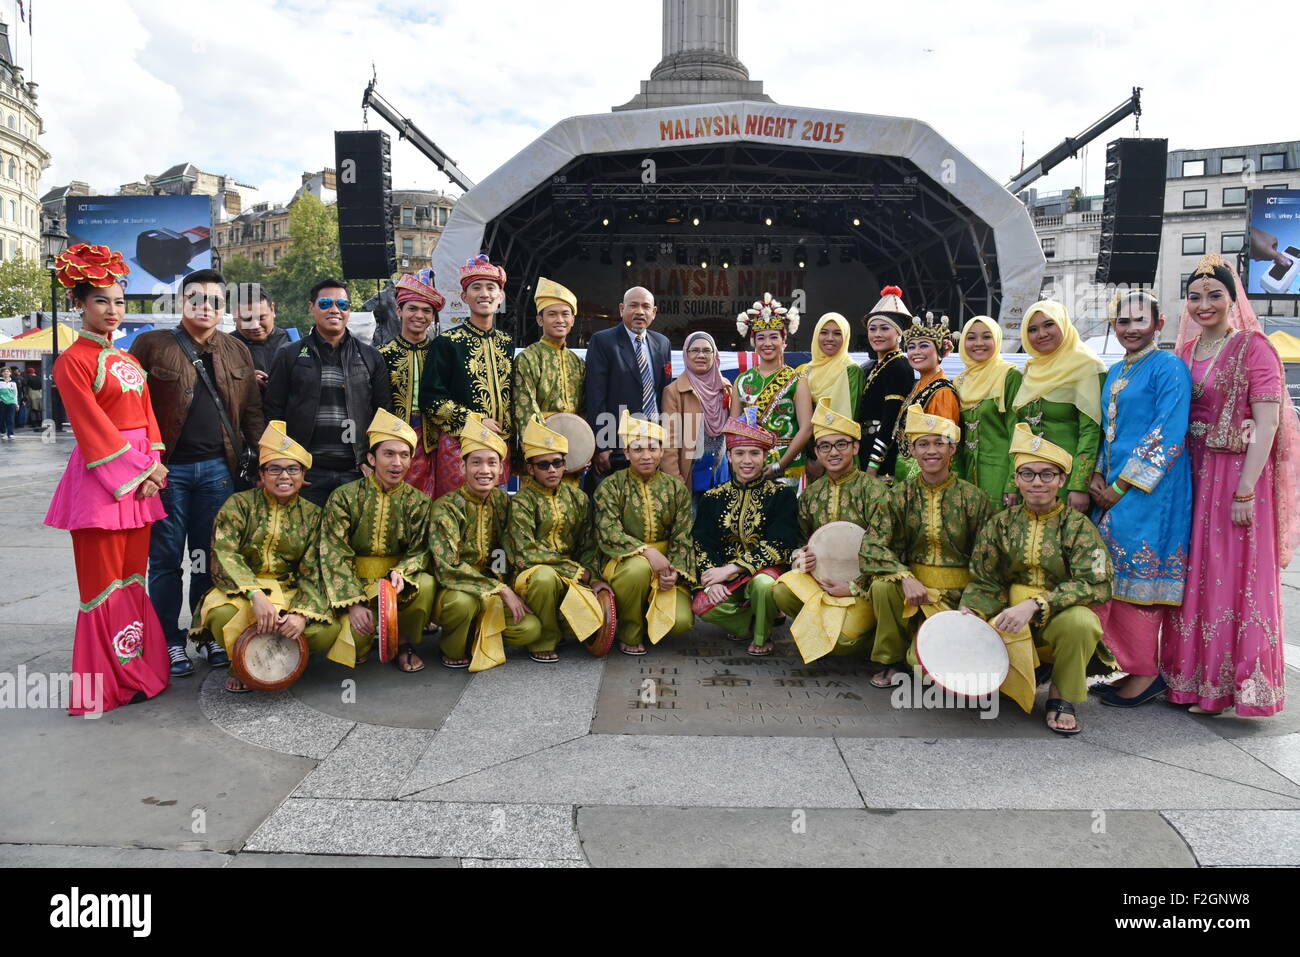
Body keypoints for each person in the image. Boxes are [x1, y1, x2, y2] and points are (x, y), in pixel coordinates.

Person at [1162, 254, 1300, 717]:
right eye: (1195, 297)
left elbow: (1267, 424)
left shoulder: (1254, 347)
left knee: (1232, 576)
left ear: (1232, 298)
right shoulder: (1184, 352)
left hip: (1237, 477)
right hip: (1193, 474)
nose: (1204, 305)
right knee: (1194, 575)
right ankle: (1194, 682)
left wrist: (1245, 489)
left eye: (1214, 295)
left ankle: (1232, 687)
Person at [43, 243, 170, 714]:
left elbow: (148, 417)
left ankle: (137, 668)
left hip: (140, 484)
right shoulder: (71, 361)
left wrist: (155, 464)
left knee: (133, 579)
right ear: (79, 304)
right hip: (102, 485)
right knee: (102, 586)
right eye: (101, 300)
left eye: (118, 301)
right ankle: (105, 684)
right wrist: (141, 469)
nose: (113, 310)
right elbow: (91, 428)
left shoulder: (128, 360)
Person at [131, 268, 264, 676]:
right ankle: (169, 640)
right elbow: (129, 407)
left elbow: (252, 412)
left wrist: (263, 459)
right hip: (166, 472)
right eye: (197, 299)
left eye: (215, 301)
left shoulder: (237, 350)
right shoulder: (152, 345)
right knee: (166, 560)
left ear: (224, 308)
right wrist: (140, 463)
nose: (206, 307)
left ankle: (205, 633)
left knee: (208, 558)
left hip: (219, 471)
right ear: (181, 303)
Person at [961, 424, 1114, 735]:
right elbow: (984, 579)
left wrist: (1036, 604)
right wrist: (973, 610)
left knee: (1082, 622)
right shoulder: (1000, 524)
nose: (1037, 482)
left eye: (1047, 474)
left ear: (1061, 480)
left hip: (1056, 618)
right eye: (1027, 474)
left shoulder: (1078, 526)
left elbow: (1097, 583)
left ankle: (1061, 696)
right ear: (1016, 479)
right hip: (1007, 617)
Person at [1088, 291, 1192, 708]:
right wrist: (1099, 474)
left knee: (1141, 580)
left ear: (1159, 323)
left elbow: (1167, 432)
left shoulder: (1169, 367)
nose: (1130, 329)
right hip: (1113, 488)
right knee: (1113, 577)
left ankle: (1148, 674)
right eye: (1123, 321)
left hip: (1154, 491)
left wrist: (1122, 487)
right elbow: (1107, 432)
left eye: (1139, 320)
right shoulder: (1116, 371)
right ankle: (1131, 665)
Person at [190, 421, 338, 693]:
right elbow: (224, 553)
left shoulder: (314, 515)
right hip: (242, 591)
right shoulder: (239, 505)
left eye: (293, 469)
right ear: (261, 474)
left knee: (325, 631)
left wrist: (300, 614)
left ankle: (281, 664)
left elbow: (315, 570)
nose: (284, 476)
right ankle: (242, 664)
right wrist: (255, 595)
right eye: (274, 469)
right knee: (222, 615)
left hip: (290, 590)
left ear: (304, 475)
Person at [859, 404, 992, 687]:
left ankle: (920, 653)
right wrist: (904, 577)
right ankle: (891, 660)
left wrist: (973, 602)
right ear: (912, 450)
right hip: (913, 590)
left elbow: (989, 561)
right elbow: (871, 547)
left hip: (957, 597)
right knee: (883, 586)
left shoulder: (974, 499)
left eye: (939, 444)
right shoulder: (899, 495)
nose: (931, 451)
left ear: (952, 449)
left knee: (923, 668)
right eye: (923, 444)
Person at [315, 410, 436, 673]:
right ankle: (366, 631)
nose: (397, 463)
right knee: (356, 648)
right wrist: (354, 603)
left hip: (396, 583)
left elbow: (421, 549)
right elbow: (333, 552)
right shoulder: (344, 496)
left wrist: (403, 571)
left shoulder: (419, 501)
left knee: (425, 584)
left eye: (404, 455)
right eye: (388, 454)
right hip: (356, 583)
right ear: (371, 458)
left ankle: (404, 642)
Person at [772, 396, 887, 663]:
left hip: (860, 588)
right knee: (781, 590)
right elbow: (798, 540)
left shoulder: (874, 491)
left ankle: (865, 637)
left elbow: (888, 551)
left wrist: (854, 587)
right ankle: (824, 624)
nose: (833, 452)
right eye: (825, 446)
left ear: (856, 447)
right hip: (820, 581)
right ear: (817, 451)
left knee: (843, 641)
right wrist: (800, 558)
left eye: (841, 444)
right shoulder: (812, 494)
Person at [426, 414, 542, 670]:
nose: (484, 471)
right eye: (476, 462)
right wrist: (501, 589)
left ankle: (474, 633)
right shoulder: (446, 507)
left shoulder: (503, 503)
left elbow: (511, 550)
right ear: (462, 467)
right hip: (453, 589)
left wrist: (511, 586)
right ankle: (453, 645)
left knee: (530, 628)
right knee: (462, 604)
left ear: (501, 470)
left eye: (492, 463)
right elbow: (447, 567)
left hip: (492, 590)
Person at [264, 278, 392, 508]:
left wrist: (374, 461)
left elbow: (383, 413)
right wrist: (286, 464)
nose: (334, 310)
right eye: (325, 303)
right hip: (306, 471)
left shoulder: (370, 356)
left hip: (356, 470)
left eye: (342, 305)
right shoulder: (290, 354)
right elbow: (273, 412)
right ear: (311, 307)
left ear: (349, 310)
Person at [692, 414, 800, 656]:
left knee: (763, 585)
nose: (747, 461)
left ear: (765, 456)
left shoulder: (781, 495)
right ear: (729, 456)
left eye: (754, 453)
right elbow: (702, 542)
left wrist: (732, 568)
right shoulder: (713, 497)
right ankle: (754, 619)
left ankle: (762, 637)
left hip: (765, 574)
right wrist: (714, 578)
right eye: (739, 453)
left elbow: (780, 544)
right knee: (704, 607)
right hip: (727, 579)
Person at [506, 416, 611, 661]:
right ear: (530, 468)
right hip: (532, 575)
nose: (552, 470)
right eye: (543, 465)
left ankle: (563, 627)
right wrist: (575, 571)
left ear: (565, 464)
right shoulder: (522, 501)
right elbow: (524, 552)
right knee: (545, 577)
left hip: (571, 577)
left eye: (557, 462)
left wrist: (594, 576)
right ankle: (543, 641)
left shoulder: (578, 498)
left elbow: (588, 544)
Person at [594, 411, 696, 655]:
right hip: (624, 562)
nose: (646, 456)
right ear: (627, 453)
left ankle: (647, 617)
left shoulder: (676, 489)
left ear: (662, 452)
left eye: (652, 448)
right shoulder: (611, 486)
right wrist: (647, 552)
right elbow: (608, 531)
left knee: (681, 622)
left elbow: (683, 536)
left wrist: (674, 571)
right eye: (638, 449)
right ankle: (630, 632)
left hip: (666, 564)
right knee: (638, 569)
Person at [420, 255, 515, 499]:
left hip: (499, 446)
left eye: (491, 288)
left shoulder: (506, 342)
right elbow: (431, 399)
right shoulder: (447, 343)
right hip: (458, 446)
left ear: (500, 296)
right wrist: (475, 421)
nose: (484, 294)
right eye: (476, 287)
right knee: (457, 511)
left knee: (495, 512)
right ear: (464, 297)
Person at [1010, 301, 1106, 512]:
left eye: (1049, 324)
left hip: (1065, 479)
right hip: (1029, 480)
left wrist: (1079, 485)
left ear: (1063, 324)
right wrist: (1013, 481)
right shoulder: (1031, 369)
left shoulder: (1086, 366)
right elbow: (1020, 433)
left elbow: (1091, 431)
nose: (1041, 334)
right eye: (1032, 329)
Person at [584, 286, 671, 483]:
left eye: (646, 307)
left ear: (653, 312)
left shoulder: (662, 343)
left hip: (653, 442)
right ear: (622, 309)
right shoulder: (603, 341)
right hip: (616, 444)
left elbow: (663, 393)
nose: (640, 311)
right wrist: (602, 445)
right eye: (633, 306)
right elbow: (595, 396)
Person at [731, 292, 812, 480]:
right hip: (750, 464)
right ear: (754, 343)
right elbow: (734, 429)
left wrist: (780, 465)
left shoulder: (797, 380)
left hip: (787, 465)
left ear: (784, 342)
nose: (767, 343)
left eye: (774, 337)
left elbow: (806, 428)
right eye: (761, 338)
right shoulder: (742, 381)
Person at [379, 269, 446, 496]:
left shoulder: (441, 354)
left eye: (427, 311)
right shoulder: (383, 355)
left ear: (433, 317)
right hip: (395, 436)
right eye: (412, 308)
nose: (419, 315)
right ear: (399, 311)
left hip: (435, 438)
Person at [512, 277, 586, 457]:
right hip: (541, 448)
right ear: (540, 320)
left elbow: (585, 407)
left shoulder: (577, 362)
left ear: (573, 319)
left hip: (574, 444)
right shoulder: (528, 358)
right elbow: (525, 409)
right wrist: (540, 448)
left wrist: (584, 445)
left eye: (565, 314)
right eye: (552, 314)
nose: (560, 320)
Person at [954, 315, 1022, 504]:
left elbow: (1017, 431)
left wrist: (1013, 482)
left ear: (997, 340)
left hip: (1000, 473)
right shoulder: (959, 382)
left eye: (986, 336)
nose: (978, 343)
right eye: (971, 337)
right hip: (966, 474)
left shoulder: (1009, 376)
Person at [661, 330, 732, 494]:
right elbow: (669, 442)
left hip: (722, 473)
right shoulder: (673, 391)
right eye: (694, 350)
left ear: (715, 355)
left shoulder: (725, 387)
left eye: (707, 350)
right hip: (690, 475)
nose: (701, 355)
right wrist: (676, 482)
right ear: (686, 355)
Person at [892, 311, 960, 482]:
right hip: (906, 468)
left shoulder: (942, 390)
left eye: (923, 346)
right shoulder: (920, 385)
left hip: (924, 473)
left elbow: (943, 443)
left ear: (940, 352)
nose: (916, 352)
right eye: (911, 347)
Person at [856, 285, 916, 478]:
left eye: (884, 328)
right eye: (872, 329)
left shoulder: (899, 366)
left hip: (883, 456)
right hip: (865, 445)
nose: (877, 334)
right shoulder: (874, 366)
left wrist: (874, 464)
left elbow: (891, 421)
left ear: (899, 333)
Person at [796, 312, 863, 481]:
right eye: (824, 332)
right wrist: (805, 456)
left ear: (845, 337)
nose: (830, 338)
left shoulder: (851, 370)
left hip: (838, 455)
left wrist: (821, 460)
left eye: (837, 333)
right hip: (807, 456)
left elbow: (847, 418)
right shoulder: (804, 371)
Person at [230, 287, 290, 387]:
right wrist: (243, 380)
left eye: (261, 318)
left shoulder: (294, 341)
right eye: (247, 319)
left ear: (272, 310)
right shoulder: (224, 347)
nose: (255, 326)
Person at [0, 366, 17, 440]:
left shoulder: (13, 383)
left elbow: (15, 394)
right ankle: (2, 431)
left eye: (7, 371)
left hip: (11, 403)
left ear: (10, 373)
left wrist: (16, 404)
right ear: (1, 373)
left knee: (10, 419)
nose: (6, 373)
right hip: (2, 402)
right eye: (4, 371)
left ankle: (10, 434)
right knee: (1, 418)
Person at [24, 365, 42, 430]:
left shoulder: (28, 377)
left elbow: (25, 384)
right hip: (40, 394)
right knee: (39, 409)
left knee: (32, 409)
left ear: (28, 372)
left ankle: (34, 423)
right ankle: (40, 422)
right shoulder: (39, 377)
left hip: (32, 393)